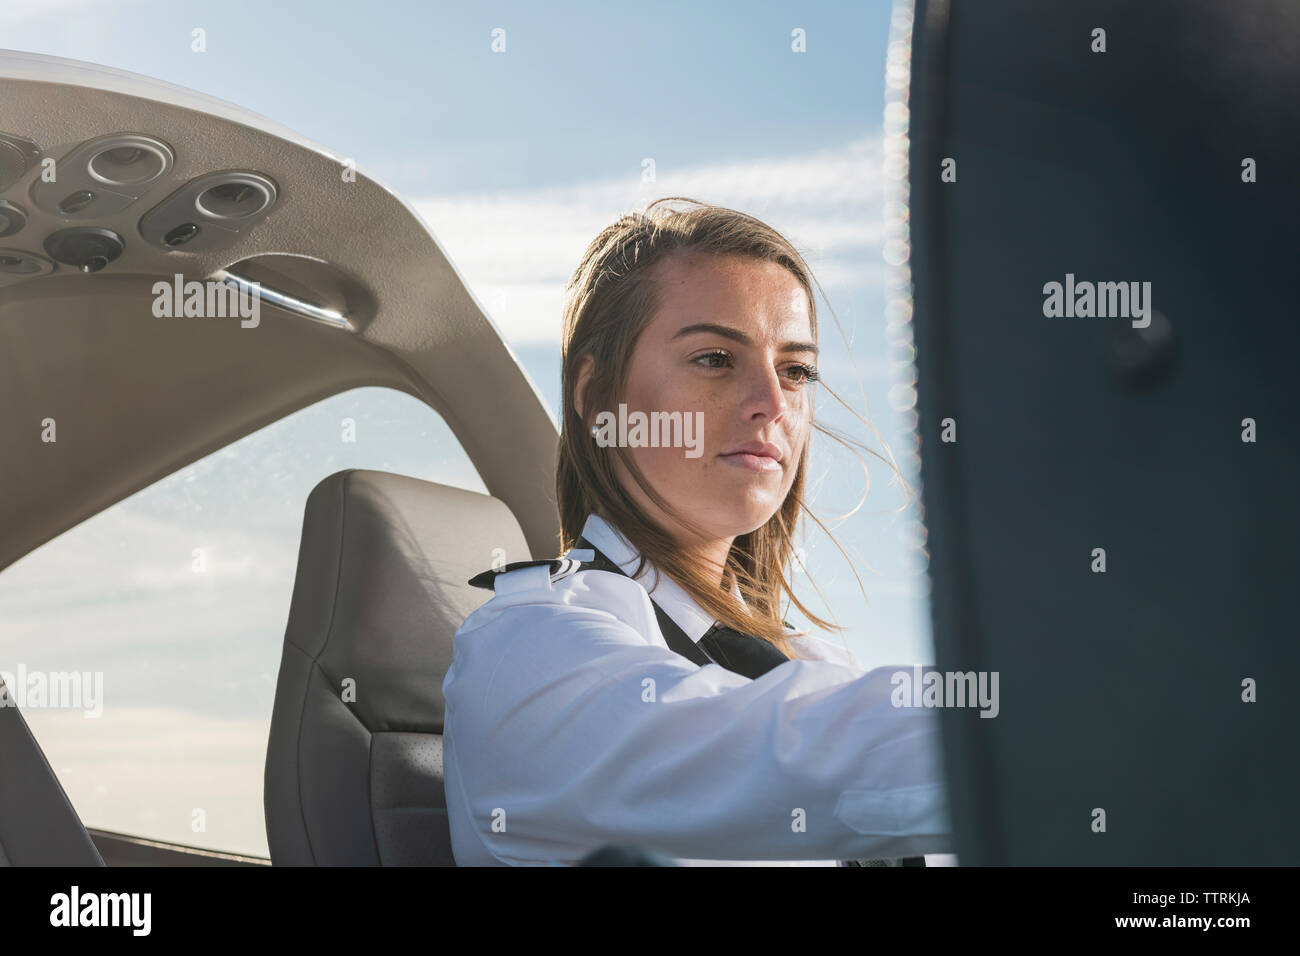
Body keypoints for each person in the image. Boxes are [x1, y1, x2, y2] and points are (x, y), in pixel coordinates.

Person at [441, 197, 953, 866]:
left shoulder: (816, 663)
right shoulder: (527, 643)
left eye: (795, 370)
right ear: (598, 398)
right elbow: (792, 755)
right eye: (715, 358)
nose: (772, 403)